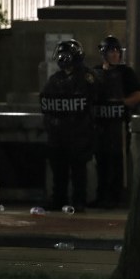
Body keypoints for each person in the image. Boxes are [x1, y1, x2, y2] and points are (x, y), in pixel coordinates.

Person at [40, 39, 97, 213]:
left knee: (78, 169)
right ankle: (58, 199)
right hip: (58, 134)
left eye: (66, 55)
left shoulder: (87, 77)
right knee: (59, 169)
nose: (63, 59)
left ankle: (79, 200)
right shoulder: (55, 79)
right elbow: (46, 102)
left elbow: (92, 101)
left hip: (79, 132)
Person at [91, 35, 140, 209]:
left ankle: (115, 197)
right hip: (100, 125)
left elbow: (138, 95)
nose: (115, 55)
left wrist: (122, 103)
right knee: (101, 161)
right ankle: (102, 196)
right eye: (111, 51)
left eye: (117, 51)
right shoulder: (95, 72)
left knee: (117, 161)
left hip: (118, 125)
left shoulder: (126, 73)